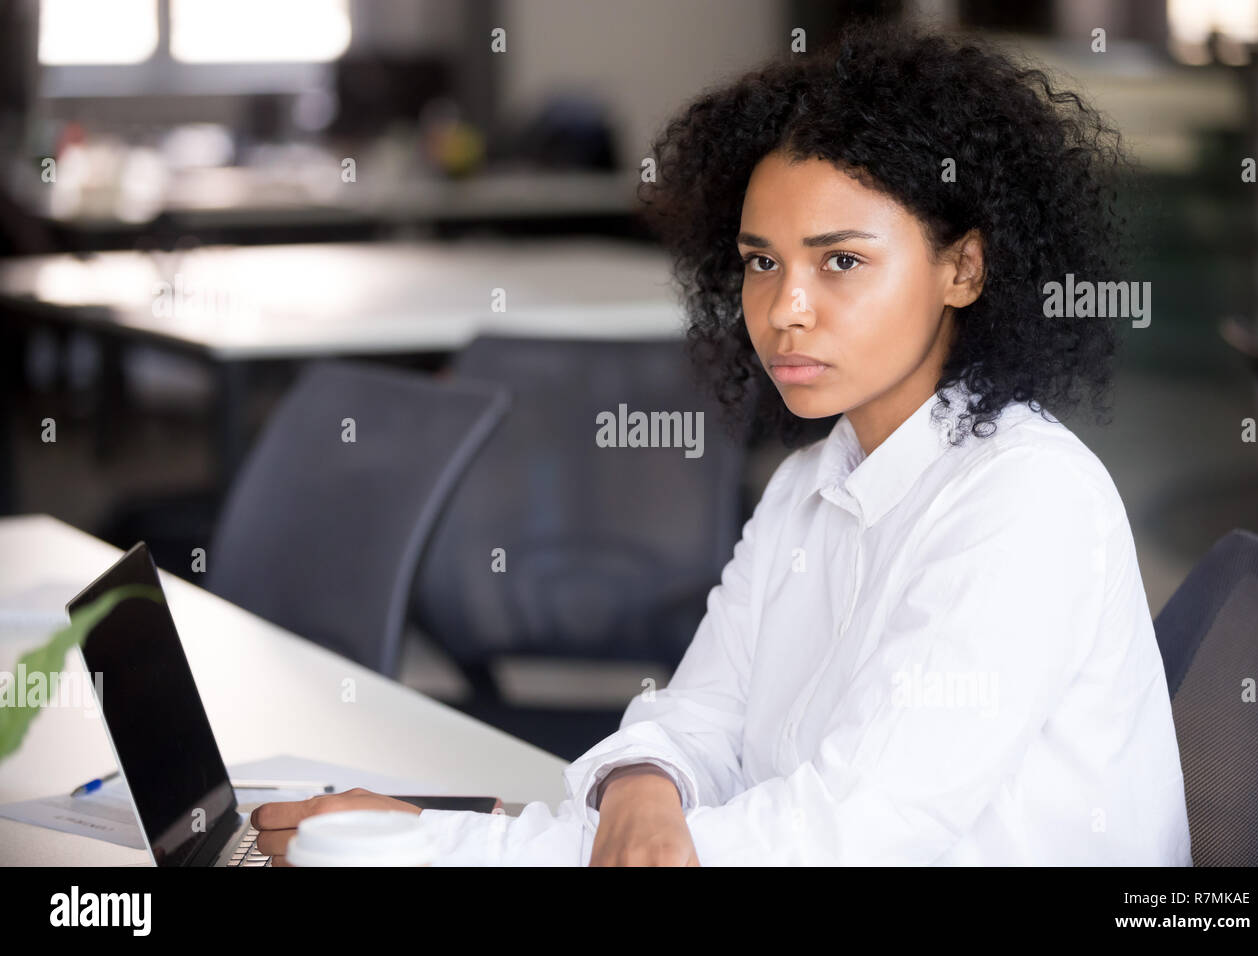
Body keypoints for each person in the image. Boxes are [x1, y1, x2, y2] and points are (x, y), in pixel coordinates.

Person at [252, 18, 1193, 866]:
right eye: (759, 262)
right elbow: (695, 718)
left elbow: (838, 836)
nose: (785, 309)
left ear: (963, 267)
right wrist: (640, 786)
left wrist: (432, 847)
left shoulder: (1026, 504)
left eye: (843, 262)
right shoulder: (811, 482)